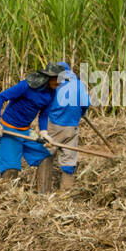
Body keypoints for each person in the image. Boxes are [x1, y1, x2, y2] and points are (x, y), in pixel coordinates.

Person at [0, 64, 64, 184]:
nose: (59, 84)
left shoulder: (52, 93)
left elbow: (44, 114)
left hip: (26, 131)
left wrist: (44, 132)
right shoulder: (26, 86)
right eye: (57, 81)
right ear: (49, 77)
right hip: (9, 129)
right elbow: (0, 97)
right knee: (11, 167)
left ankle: (43, 197)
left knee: (45, 156)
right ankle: (8, 194)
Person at [46, 61, 90, 190]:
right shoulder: (78, 84)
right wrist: (80, 113)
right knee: (69, 159)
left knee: (46, 155)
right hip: (72, 126)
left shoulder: (54, 85)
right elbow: (86, 104)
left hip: (54, 125)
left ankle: (43, 189)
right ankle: (65, 192)